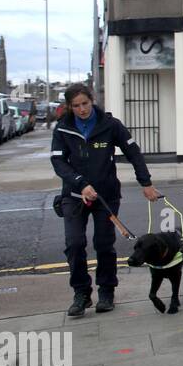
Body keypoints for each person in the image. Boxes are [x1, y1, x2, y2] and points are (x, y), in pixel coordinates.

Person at [50, 84, 159, 316]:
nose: (82, 110)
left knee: (103, 243)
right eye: (76, 106)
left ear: (93, 100)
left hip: (106, 196)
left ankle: (106, 291)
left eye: (85, 104)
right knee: (75, 243)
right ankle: (81, 294)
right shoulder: (63, 128)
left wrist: (146, 183)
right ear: (70, 106)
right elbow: (59, 163)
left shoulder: (110, 125)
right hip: (74, 196)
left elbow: (133, 152)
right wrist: (81, 183)